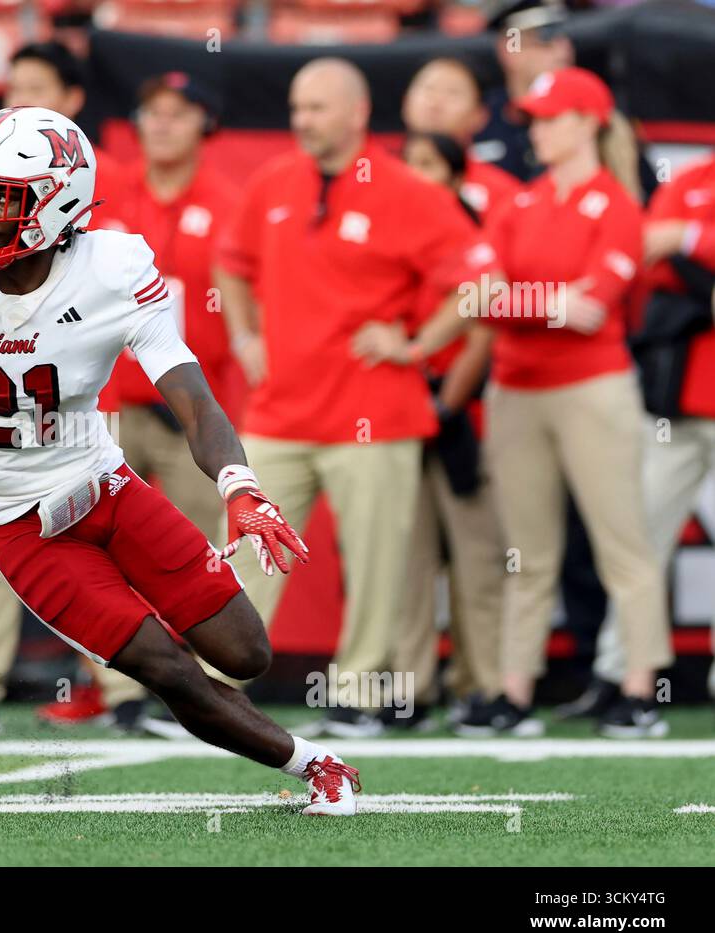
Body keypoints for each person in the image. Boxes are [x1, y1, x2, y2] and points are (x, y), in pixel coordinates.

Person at [0, 106, 362, 815]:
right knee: (164, 668)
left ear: (58, 201)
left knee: (246, 653)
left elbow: (191, 395)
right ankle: (317, 764)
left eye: (2, 196)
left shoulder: (112, 270)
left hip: (104, 484)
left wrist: (240, 487)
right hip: (15, 521)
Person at [214, 59, 496, 737]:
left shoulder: (407, 190)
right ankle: (212, 687)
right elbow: (232, 259)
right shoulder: (273, 181)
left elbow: (480, 282)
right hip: (281, 411)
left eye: (316, 107)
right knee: (245, 553)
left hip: (373, 413)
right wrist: (246, 335)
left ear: (357, 113)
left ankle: (360, 698)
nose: (301, 120)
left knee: (378, 568)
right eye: (297, 106)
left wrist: (416, 343)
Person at [458, 67, 672, 738]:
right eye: (536, 120)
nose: (539, 131)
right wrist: (549, 301)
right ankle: (514, 692)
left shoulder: (618, 204)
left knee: (622, 544)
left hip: (591, 388)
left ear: (588, 121)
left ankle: (641, 687)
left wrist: (522, 303)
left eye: (552, 118)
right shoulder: (519, 204)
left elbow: (592, 310)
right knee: (529, 552)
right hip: (518, 391)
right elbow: (475, 300)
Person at [0, 40, 127, 734]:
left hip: (94, 399)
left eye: (36, 89)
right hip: (14, 395)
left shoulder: (102, 187)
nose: (16, 104)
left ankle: (124, 687)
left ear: (72, 99)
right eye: (11, 89)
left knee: (109, 543)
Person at [38, 70, 239, 731]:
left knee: (192, 558)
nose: (161, 124)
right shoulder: (101, 194)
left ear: (205, 123)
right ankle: (123, 695)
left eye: (178, 113)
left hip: (186, 411)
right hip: (106, 404)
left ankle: (200, 694)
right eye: (151, 111)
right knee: (82, 546)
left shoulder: (232, 203)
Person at [384, 131, 508, 731]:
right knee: (405, 559)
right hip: (398, 414)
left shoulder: (477, 235)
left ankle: (481, 687)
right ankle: (410, 688)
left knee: (478, 561)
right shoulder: (390, 235)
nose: (414, 176)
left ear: (459, 178)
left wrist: (448, 402)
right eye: (407, 164)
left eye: (428, 165)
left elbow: (484, 326)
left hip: (463, 416)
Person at [588, 152, 715, 713]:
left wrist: (688, 237)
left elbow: (670, 243)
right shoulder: (689, 180)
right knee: (638, 539)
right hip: (680, 399)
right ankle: (621, 674)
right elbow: (643, 258)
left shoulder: (688, 200)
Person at [402, 57, 522, 220]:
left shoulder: (504, 195)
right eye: (427, 88)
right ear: (405, 102)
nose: (435, 102)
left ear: (479, 115)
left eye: (452, 93)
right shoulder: (371, 173)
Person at [473, 0, 574, 182]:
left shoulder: (585, 114)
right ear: (510, 49)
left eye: (563, 39)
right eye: (545, 40)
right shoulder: (478, 118)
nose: (561, 51)